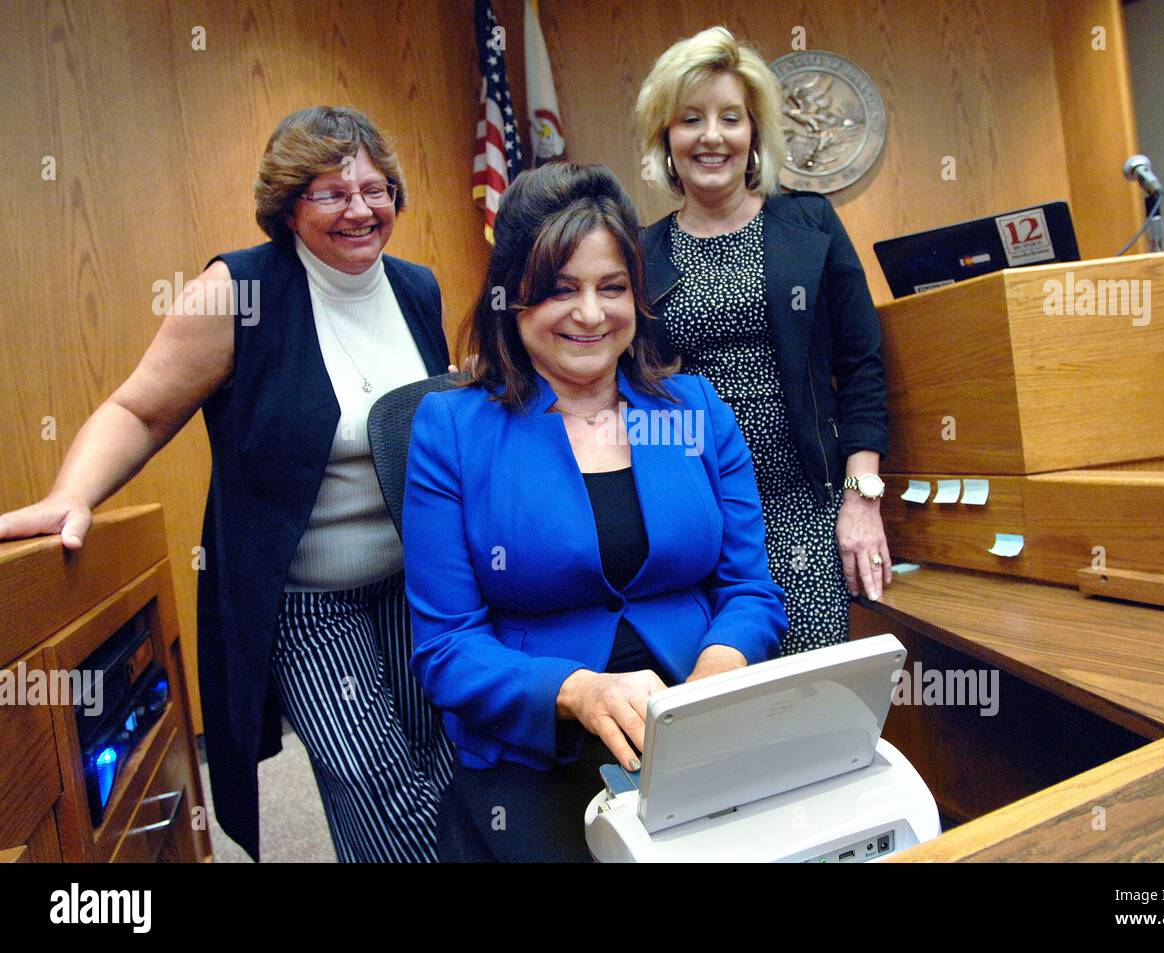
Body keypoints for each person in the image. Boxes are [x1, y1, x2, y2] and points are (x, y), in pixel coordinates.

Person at [0, 106, 454, 862]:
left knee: (440, 765)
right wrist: (72, 493)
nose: (360, 210)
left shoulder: (416, 286)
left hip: (415, 590)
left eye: (375, 189)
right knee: (376, 784)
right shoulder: (239, 290)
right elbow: (139, 411)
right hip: (310, 607)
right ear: (286, 204)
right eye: (329, 193)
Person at [403, 162, 786, 862]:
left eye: (612, 288)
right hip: (534, 745)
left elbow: (751, 590)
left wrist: (710, 683)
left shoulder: (694, 410)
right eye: (558, 290)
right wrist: (576, 690)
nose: (589, 313)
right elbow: (447, 646)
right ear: (511, 298)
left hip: (694, 727)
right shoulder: (451, 430)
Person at [635, 27, 893, 655]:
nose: (712, 136)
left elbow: (862, 367)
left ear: (754, 132)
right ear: (666, 138)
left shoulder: (809, 224)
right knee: (720, 696)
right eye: (690, 119)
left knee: (811, 695)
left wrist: (862, 499)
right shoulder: (641, 253)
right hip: (695, 518)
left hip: (802, 504)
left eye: (731, 117)